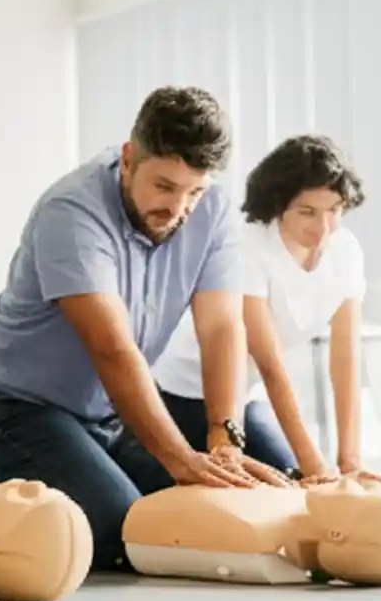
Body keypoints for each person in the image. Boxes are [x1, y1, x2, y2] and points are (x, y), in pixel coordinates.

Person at [0, 86, 290, 573]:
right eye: (164, 186)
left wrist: (223, 439)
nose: (179, 208)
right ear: (128, 159)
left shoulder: (211, 210)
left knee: (193, 511)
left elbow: (222, 328)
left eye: (194, 190)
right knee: (117, 532)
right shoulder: (73, 211)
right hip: (16, 406)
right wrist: (180, 458)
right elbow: (112, 349)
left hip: (107, 416)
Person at [149, 134, 369, 479]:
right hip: (183, 393)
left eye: (335, 210)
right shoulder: (248, 247)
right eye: (307, 212)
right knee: (288, 481)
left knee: (291, 479)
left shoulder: (346, 250)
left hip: (243, 396)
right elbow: (270, 363)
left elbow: (346, 359)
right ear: (278, 205)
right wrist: (315, 466)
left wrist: (350, 462)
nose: (323, 227)